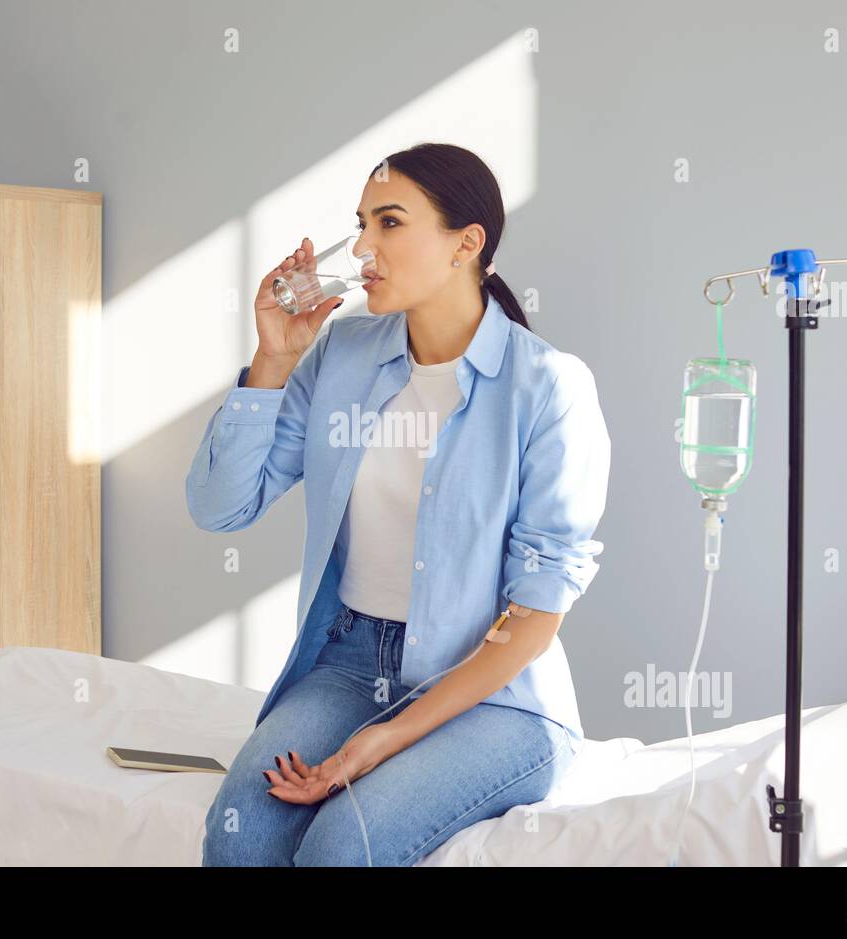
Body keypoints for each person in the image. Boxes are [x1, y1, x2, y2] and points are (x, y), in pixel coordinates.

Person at [186, 142, 611, 866]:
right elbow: (221, 508)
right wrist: (273, 361)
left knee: (336, 850)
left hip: (493, 692)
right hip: (351, 661)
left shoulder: (548, 387)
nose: (361, 248)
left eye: (388, 223)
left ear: (465, 245)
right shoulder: (342, 353)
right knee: (242, 836)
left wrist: (385, 738)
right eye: (361, 225)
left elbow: (536, 616)